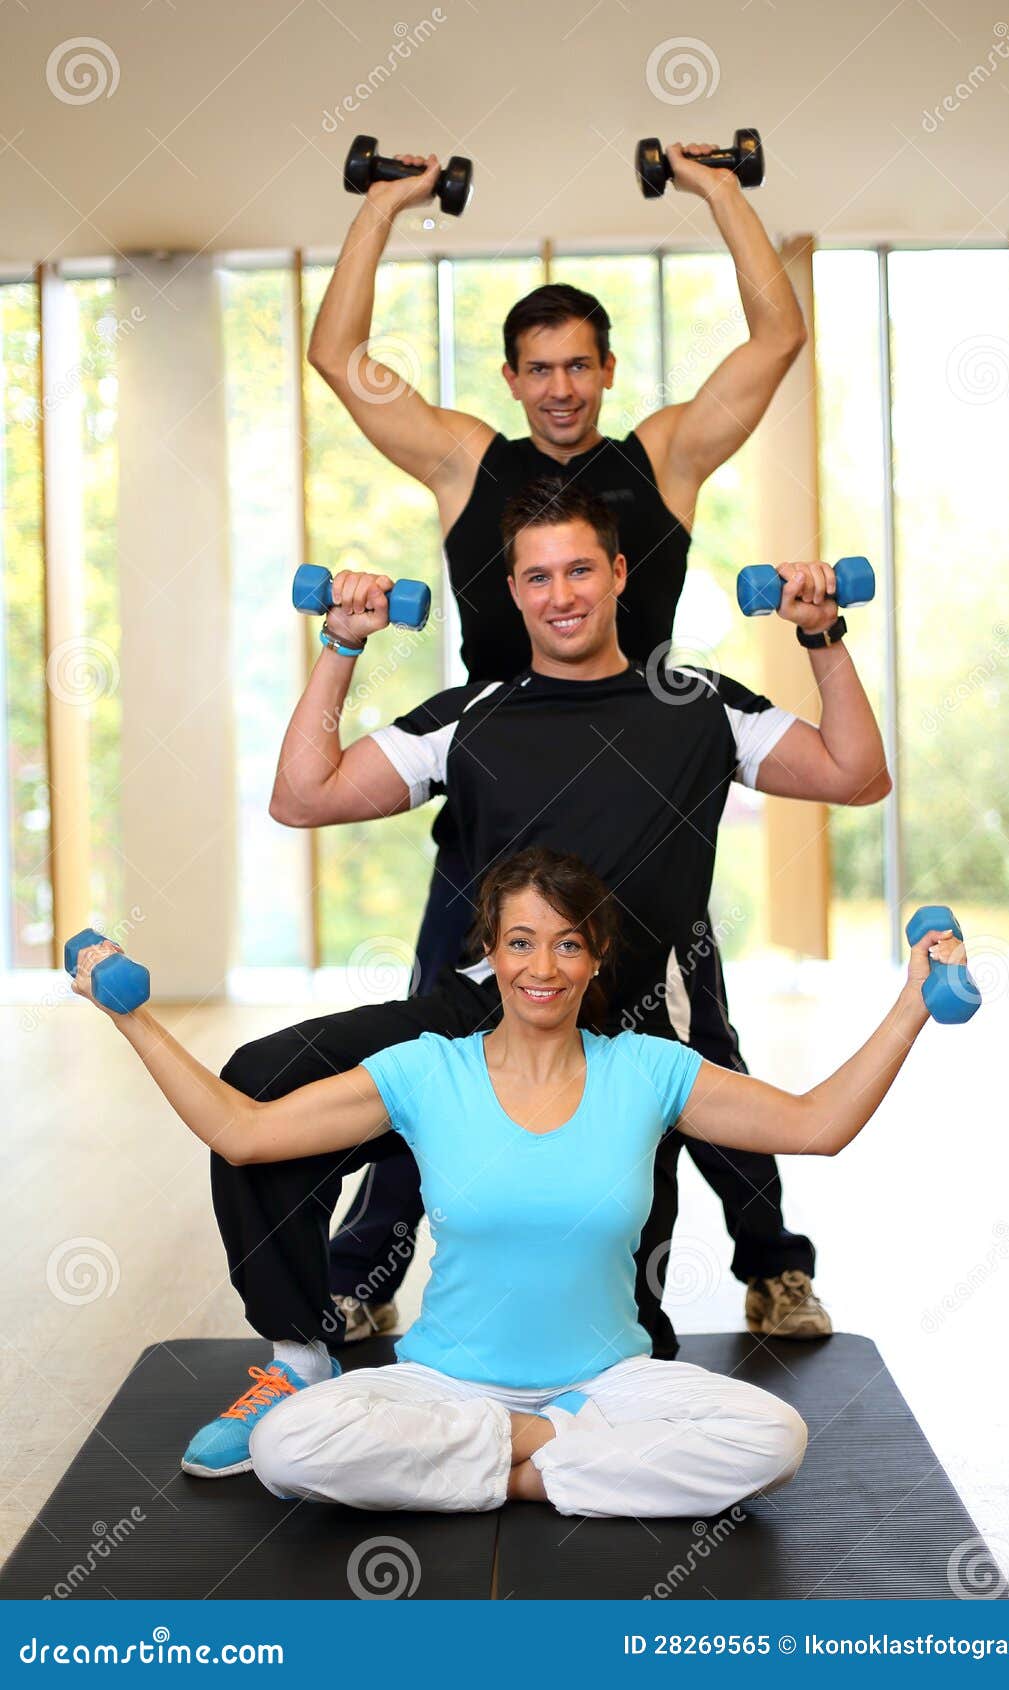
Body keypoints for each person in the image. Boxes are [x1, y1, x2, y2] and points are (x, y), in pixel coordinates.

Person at [175, 477, 889, 1480]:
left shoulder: (698, 706)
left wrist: (822, 636)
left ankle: (556, 1430)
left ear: (619, 575)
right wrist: (339, 644)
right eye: (538, 576)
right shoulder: (471, 715)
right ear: (512, 592)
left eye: (580, 570)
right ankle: (298, 1354)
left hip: (628, 1031)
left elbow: (856, 775)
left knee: (622, 1325)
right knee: (260, 1079)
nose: (561, 594)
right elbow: (303, 796)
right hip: (485, 1007)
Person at [307, 143, 815, 1342]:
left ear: (606, 369)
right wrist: (384, 202)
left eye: (578, 364)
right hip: (496, 800)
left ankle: (769, 1266)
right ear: (510, 376)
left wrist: (716, 187)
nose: (559, 390)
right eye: (537, 369)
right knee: (440, 1036)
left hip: (646, 797)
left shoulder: (661, 460)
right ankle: (365, 1277)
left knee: (688, 1045)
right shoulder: (464, 463)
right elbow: (336, 354)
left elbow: (774, 338)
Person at [70, 849, 963, 1517]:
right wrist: (131, 1018)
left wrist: (911, 1005)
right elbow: (244, 1133)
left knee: (773, 1438)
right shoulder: (426, 1070)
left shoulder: (648, 1069)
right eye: (521, 943)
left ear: (596, 956)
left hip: (607, 1382)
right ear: (490, 954)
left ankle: (491, 1473)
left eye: (567, 944)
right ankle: (548, 1455)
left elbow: (814, 1124)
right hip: (444, 1384)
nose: (543, 968)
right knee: (286, 1443)